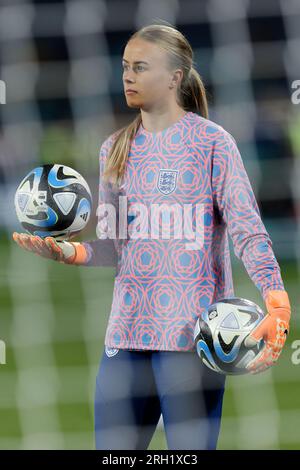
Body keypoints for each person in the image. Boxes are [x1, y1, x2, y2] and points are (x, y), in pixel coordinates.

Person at [13, 24, 291, 450]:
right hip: (125, 339)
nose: (127, 76)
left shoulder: (214, 144)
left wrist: (276, 298)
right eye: (125, 66)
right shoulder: (115, 148)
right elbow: (115, 246)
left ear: (175, 77)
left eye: (140, 67)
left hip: (193, 340)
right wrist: (69, 252)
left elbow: (248, 231)